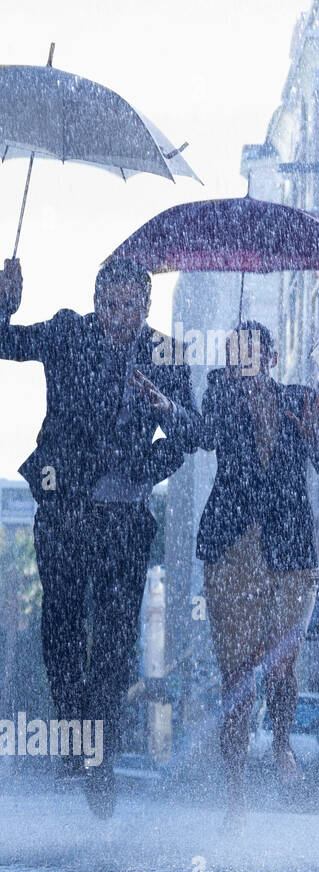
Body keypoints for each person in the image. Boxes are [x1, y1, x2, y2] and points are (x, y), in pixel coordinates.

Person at [0, 256, 200, 817]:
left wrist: (153, 445)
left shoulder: (165, 353)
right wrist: (4, 302)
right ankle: (73, 732)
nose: (119, 319)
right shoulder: (67, 332)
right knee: (62, 623)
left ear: (147, 307)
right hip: (65, 506)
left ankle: (100, 757)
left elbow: (191, 433)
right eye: (109, 306)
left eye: (131, 307)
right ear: (95, 301)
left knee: (113, 644)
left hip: (125, 518)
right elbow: (4, 343)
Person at [196, 322, 319, 832]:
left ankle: (281, 744)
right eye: (234, 351)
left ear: (272, 358)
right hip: (233, 549)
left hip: (291, 552)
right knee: (237, 677)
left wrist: (314, 437)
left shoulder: (300, 399)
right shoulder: (220, 394)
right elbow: (202, 437)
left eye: (252, 352)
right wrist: (211, 394)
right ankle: (235, 793)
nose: (243, 360)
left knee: (281, 666)